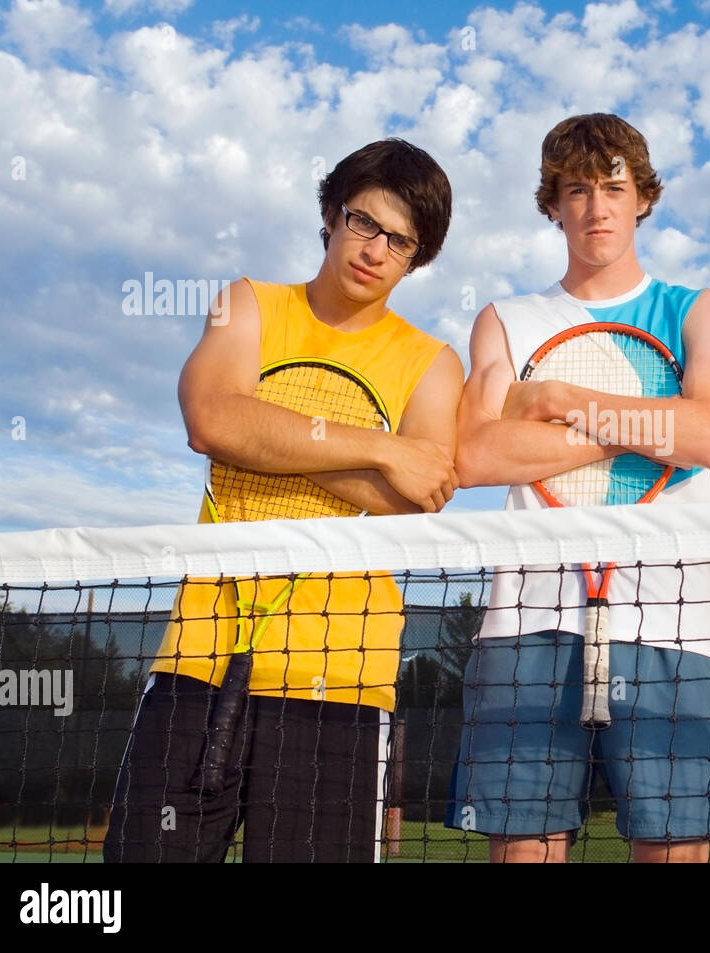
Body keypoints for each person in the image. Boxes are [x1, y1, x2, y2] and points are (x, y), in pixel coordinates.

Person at [105, 139, 463, 863]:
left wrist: (265, 430)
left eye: (399, 240)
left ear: (416, 257)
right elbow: (209, 418)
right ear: (331, 215)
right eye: (364, 222)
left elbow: (416, 497)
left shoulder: (432, 363)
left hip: (341, 671)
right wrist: (382, 444)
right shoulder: (246, 304)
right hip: (200, 657)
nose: (375, 249)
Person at [445, 113, 710, 862]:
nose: (596, 207)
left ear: (642, 196)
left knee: (674, 850)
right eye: (577, 189)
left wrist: (558, 398)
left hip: (671, 623)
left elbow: (707, 437)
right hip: (528, 623)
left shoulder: (696, 308)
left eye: (613, 186)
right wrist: (644, 426)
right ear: (553, 203)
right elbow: (476, 455)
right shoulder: (505, 320)